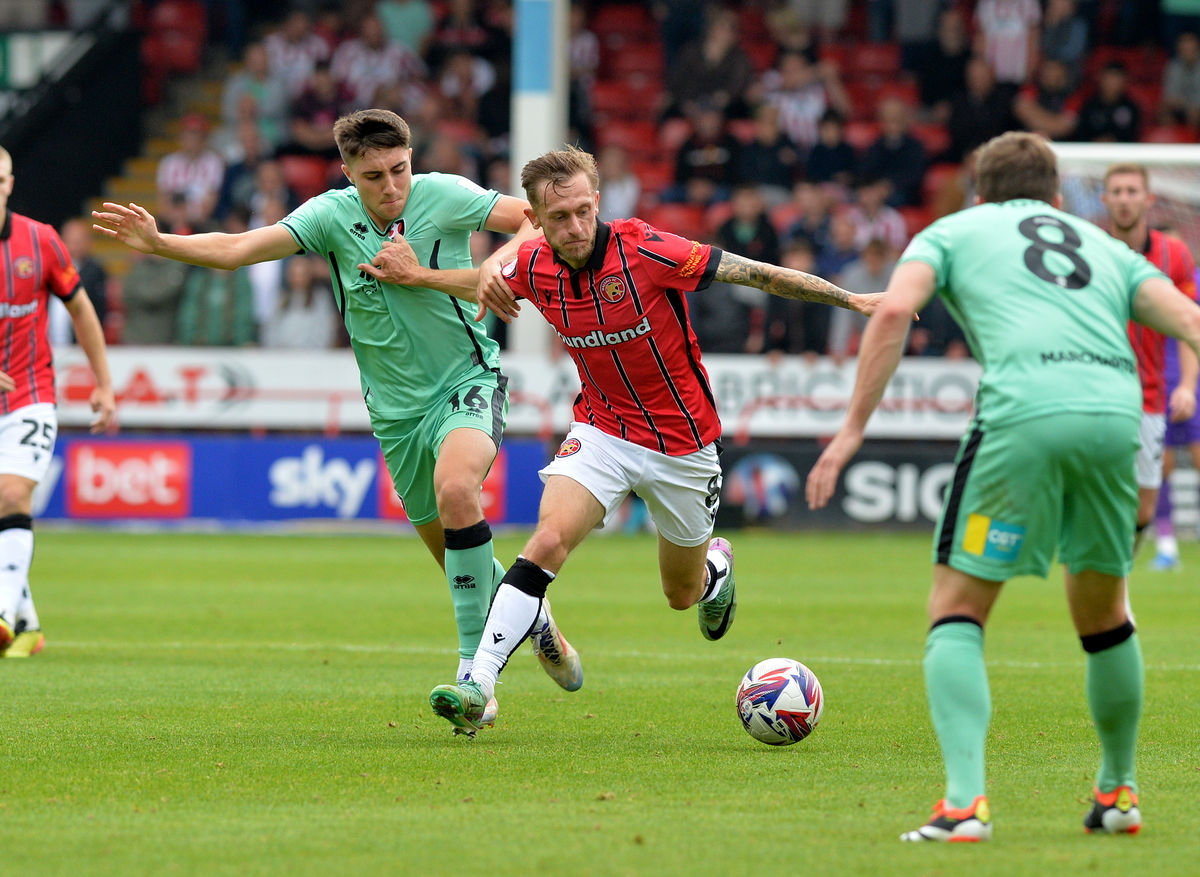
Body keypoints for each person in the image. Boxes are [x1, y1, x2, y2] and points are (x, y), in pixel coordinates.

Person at [364, 145, 887, 735]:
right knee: (546, 541)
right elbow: (483, 283)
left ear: (597, 201)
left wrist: (851, 298)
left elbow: (756, 273)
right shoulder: (532, 265)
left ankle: (714, 568)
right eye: (559, 217)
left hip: (683, 446)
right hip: (602, 430)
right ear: (535, 218)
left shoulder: (645, 249)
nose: (577, 225)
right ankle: (477, 683)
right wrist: (418, 276)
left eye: (585, 210)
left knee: (680, 595)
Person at [93, 108, 577, 733]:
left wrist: (495, 265)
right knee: (460, 558)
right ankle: (532, 617)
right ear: (348, 172)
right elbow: (240, 248)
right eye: (373, 175)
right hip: (395, 416)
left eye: (399, 169)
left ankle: (472, 681)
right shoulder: (329, 217)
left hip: (467, 382)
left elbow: (534, 219)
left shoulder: (445, 196)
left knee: (458, 489)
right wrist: (161, 243)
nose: (391, 186)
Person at [806, 131, 1200, 842]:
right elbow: (1190, 321)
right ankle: (1119, 791)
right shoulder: (1102, 242)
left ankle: (964, 804)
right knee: (1106, 613)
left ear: (980, 191)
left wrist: (851, 431)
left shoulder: (952, 229)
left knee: (956, 607)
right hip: (1116, 419)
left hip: (1024, 417)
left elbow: (893, 310)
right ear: (1057, 196)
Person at [0, 146, 115, 655]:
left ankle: (1, 613)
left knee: (11, 497)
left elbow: (83, 311)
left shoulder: (39, 240)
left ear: (10, 182)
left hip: (29, 394)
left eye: (0, 178)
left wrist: (104, 383)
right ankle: (26, 625)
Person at [1100, 164, 1199, 554]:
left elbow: (1190, 325)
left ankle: (1126, 557)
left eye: (1132, 191)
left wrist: (1189, 386)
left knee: (1144, 505)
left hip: (1151, 396)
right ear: (1104, 198)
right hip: (1098, 392)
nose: (1124, 199)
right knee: (1099, 493)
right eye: (1117, 192)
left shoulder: (1173, 254)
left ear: (1148, 198)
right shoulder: (1088, 248)